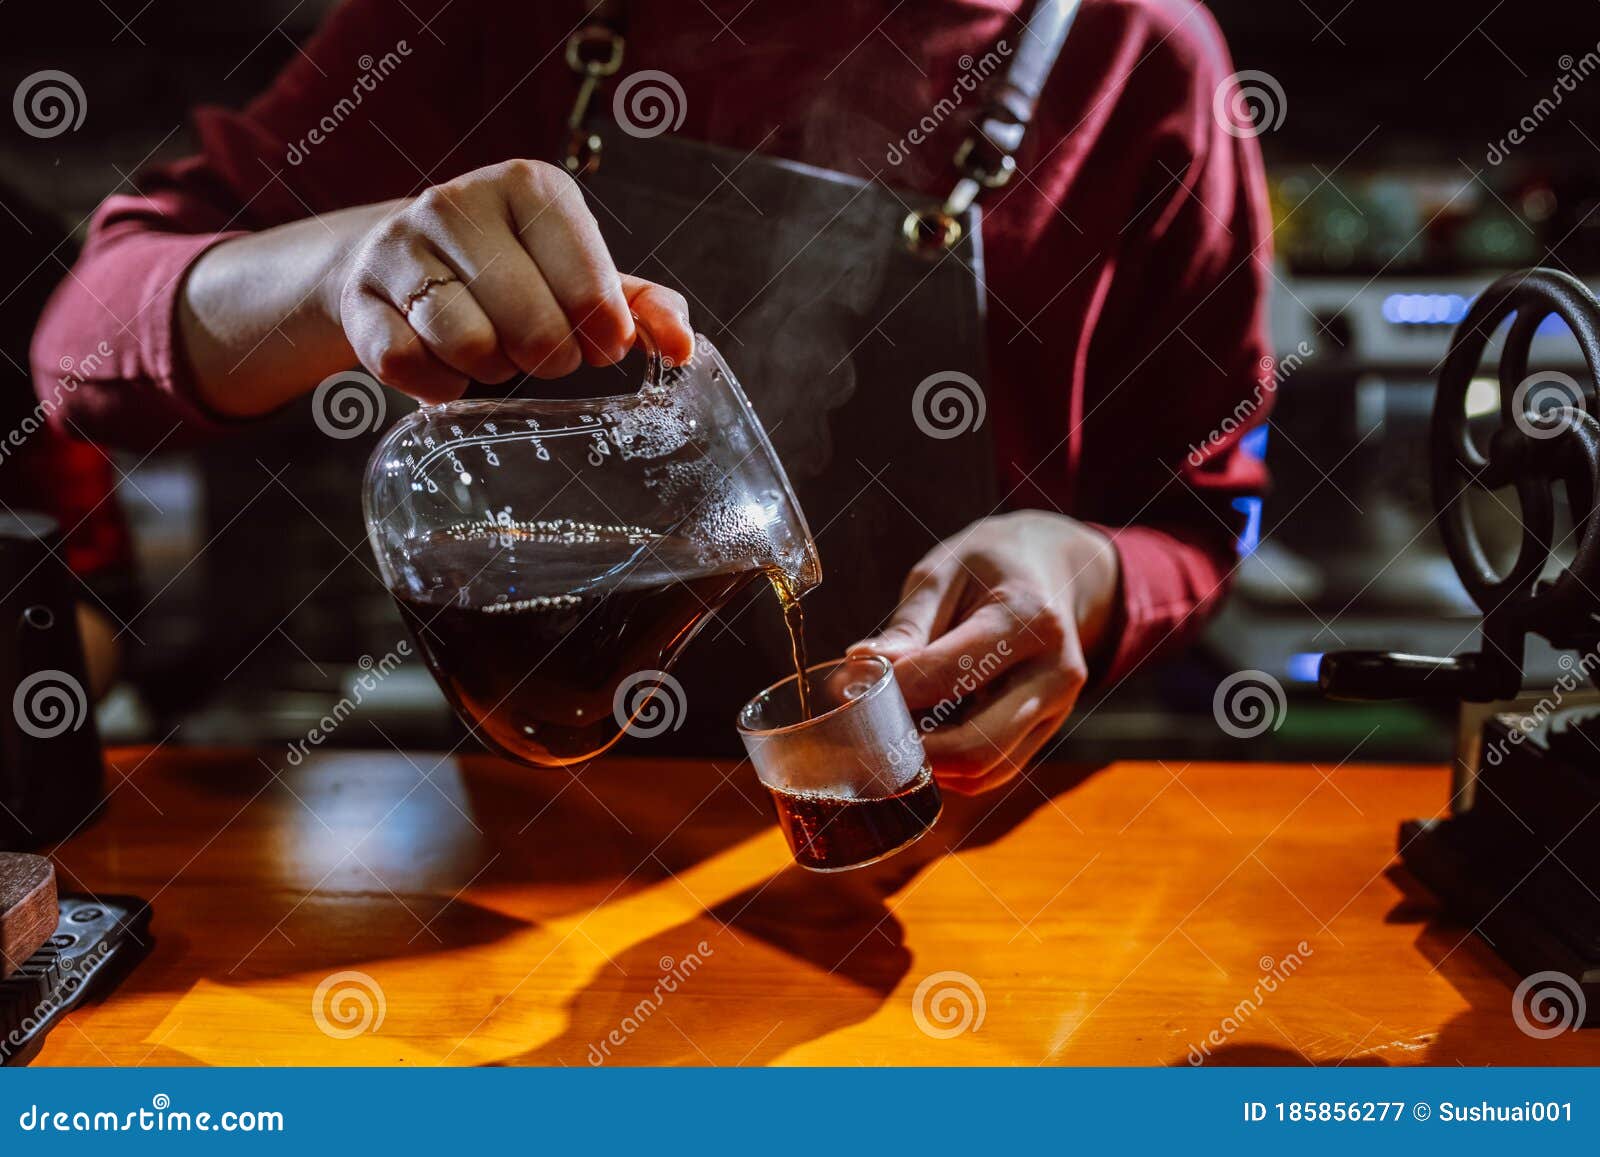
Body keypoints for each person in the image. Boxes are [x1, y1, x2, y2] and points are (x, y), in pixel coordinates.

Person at [32, 0, 1272, 794]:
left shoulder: (1143, 56)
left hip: (949, 852)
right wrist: (336, 267)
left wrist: (1088, 574)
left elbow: (1197, 513)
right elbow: (85, 344)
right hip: (534, 854)